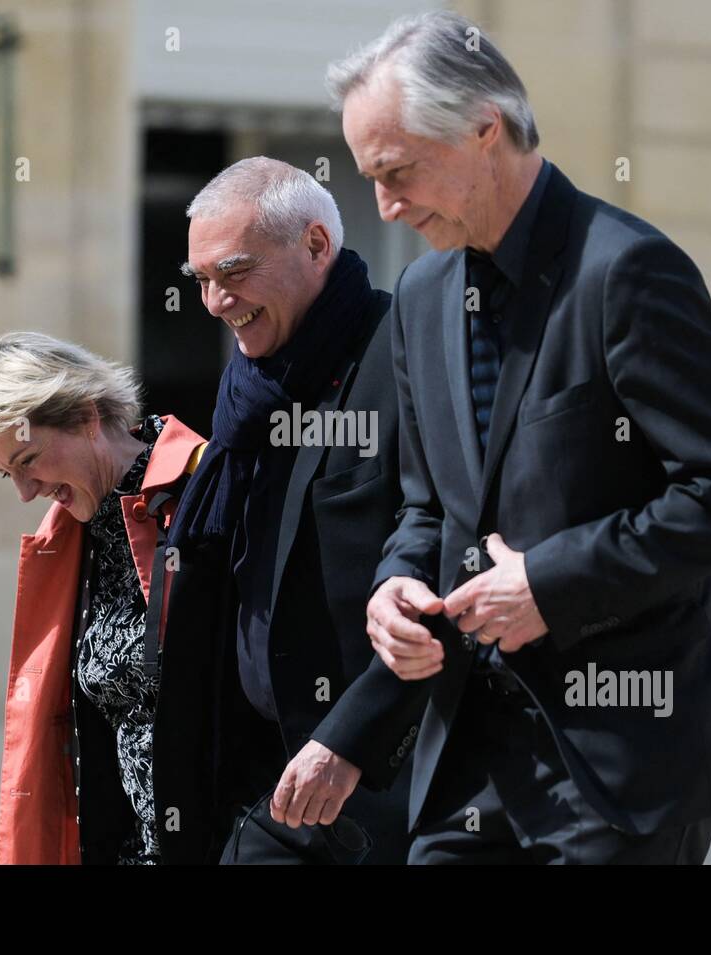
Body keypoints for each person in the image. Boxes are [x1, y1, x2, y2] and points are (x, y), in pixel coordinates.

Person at [330, 11, 711, 864]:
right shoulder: (422, 296)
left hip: (624, 764)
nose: (385, 207)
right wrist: (395, 584)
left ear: (483, 130)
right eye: (372, 178)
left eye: (397, 173)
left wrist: (551, 580)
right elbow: (428, 505)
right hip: (464, 760)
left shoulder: (627, 270)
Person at [152, 157, 427, 864]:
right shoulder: (248, 385)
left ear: (315, 246)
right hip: (261, 777)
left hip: (380, 782)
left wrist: (354, 740)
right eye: (201, 280)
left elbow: (443, 569)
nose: (214, 301)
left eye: (234, 272)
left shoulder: (408, 362)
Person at [0, 332, 207, 864]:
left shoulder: (206, 489)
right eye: (5, 474)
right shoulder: (67, 538)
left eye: (28, 459)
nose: (24, 491)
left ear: (87, 417)